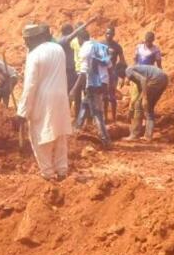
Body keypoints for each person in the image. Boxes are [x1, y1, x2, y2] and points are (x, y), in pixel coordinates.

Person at [17, 24, 73, 180]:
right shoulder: (58, 50)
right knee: (60, 136)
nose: (26, 44)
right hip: (61, 97)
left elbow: (30, 86)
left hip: (43, 100)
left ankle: (48, 174)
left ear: (36, 38)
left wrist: (22, 113)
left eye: (27, 40)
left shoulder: (34, 55)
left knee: (41, 136)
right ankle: (62, 171)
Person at [73, 29, 112, 148]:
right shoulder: (98, 46)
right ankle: (76, 130)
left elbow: (83, 73)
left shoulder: (85, 49)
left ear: (80, 38)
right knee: (84, 105)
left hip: (93, 84)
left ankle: (106, 140)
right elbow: (109, 65)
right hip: (103, 82)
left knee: (97, 113)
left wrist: (74, 89)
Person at [125, 64, 169, 142]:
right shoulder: (136, 69)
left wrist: (144, 98)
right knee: (149, 107)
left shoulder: (128, 70)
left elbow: (143, 80)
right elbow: (141, 87)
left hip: (155, 79)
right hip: (164, 78)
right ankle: (148, 136)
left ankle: (135, 135)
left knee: (138, 106)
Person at [104, 27, 126, 122]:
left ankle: (113, 117)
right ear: (105, 34)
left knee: (112, 96)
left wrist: (122, 76)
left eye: (110, 34)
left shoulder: (117, 46)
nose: (108, 35)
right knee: (104, 96)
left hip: (112, 73)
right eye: (107, 33)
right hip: (103, 73)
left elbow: (122, 61)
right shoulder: (100, 44)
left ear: (113, 35)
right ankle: (105, 117)